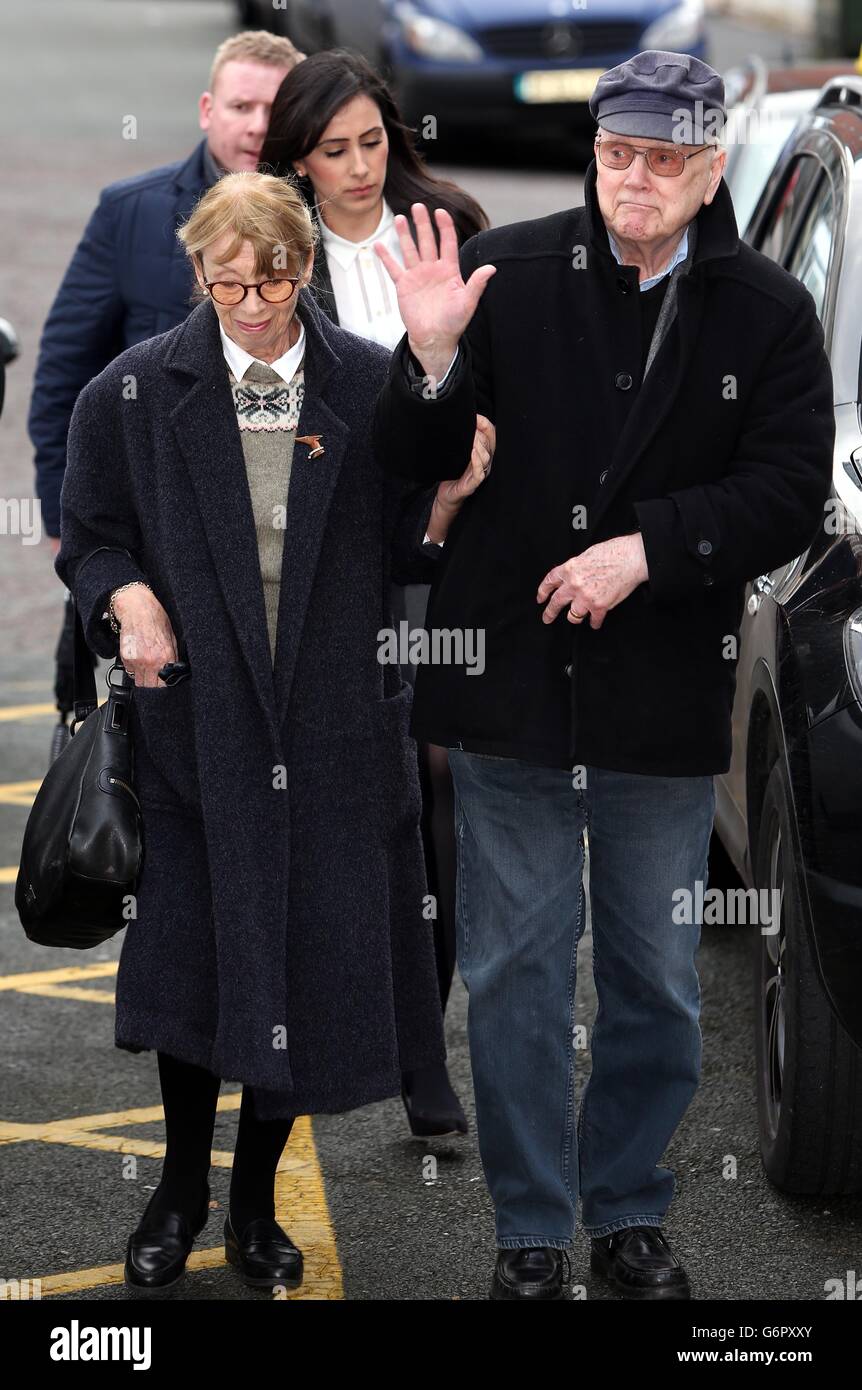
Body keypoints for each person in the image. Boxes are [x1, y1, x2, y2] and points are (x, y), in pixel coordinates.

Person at [372, 49, 836, 1300]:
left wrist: (650, 548)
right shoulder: (506, 273)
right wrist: (423, 358)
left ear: (710, 168)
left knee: (656, 983)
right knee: (516, 970)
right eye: (619, 154)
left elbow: (789, 493)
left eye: (667, 160)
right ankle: (529, 1230)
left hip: (661, 695)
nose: (636, 179)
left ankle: (627, 1208)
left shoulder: (769, 314)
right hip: (509, 687)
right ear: (594, 153)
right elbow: (405, 460)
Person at [54, 171, 489, 1293]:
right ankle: (179, 1188)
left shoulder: (361, 379)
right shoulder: (134, 392)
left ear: (308, 266)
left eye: (278, 276)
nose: (255, 303)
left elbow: (412, 533)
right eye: (230, 280)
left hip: (334, 734)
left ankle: (251, 1203)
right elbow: (90, 535)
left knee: (294, 974)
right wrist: (124, 598)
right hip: (196, 733)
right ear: (196, 273)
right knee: (199, 976)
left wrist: (438, 421)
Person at [259, 47, 492, 1138]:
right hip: (335, 558)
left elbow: (506, 364)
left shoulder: (446, 221)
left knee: (435, 783)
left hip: (446, 543)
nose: (360, 168)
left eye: (372, 142)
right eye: (333, 151)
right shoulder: (275, 252)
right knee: (358, 797)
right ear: (298, 160)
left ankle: (424, 1050)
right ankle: (326, 1027)